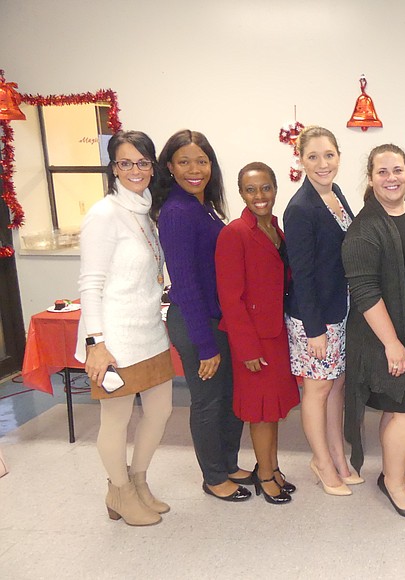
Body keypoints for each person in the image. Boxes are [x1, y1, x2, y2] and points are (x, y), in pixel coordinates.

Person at [342, 144, 405, 518]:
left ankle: (392, 471)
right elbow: (365, 292)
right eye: (382, 172)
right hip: (388, 335)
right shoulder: (365, 229)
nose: (392, 178)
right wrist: (391, 344)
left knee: (400, 410)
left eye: (397, 170)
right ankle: (395, 485)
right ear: (370, 178)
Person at [77, 130, 174, 526]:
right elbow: (90, 283)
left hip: (150, 330)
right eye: (125, 162)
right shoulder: (104, 214)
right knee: (115, 419)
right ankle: (118, 490)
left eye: (142, 162)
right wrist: (96, 343)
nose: (135, 170)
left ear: (153, 166)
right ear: (113, 167)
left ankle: (138, 480)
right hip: (115, 337)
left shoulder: (147, 210)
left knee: (161, 410)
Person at [153, 129, 252, 502]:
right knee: (209, 401)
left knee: (228, 396)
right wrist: (205, 344)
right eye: (184, 162)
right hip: (197, 322)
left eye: (202, 161)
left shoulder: (203, 205)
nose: (195, 169)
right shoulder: (177, 212)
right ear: (169, 167)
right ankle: (213, 477)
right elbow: (187, 284)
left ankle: (227, 463)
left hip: (216, 319)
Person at [215, 162, 301, 505]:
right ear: (241, 194)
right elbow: (230, 298)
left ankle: (272, 466)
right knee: (260, 411)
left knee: (274, 409)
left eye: (266, 188)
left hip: (276, 334)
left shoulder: (275, 229)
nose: (259, 196)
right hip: (253, 340)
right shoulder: (234, 233)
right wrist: (247, 348)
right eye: (251, 190)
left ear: (276, 189)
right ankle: (264, 476)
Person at [283, 126, 360, 496]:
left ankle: (338, 455)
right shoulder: (300, 208)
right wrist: (315, 329)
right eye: (312, 157)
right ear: (300, 161)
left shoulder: (335, 195)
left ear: (338, 157)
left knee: (336, 386)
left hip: (339, 309)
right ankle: (322, 462)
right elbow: (303, 274)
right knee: (317, 389)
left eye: (328, 155)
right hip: (314, 318)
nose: (322, 163)